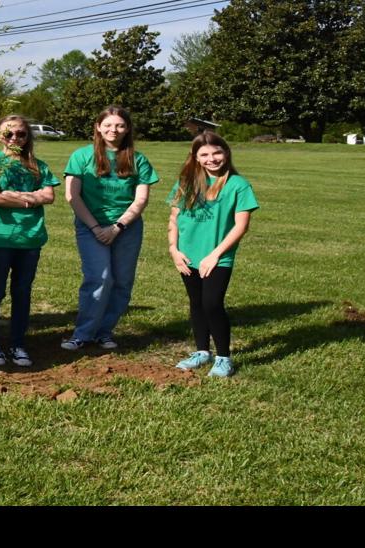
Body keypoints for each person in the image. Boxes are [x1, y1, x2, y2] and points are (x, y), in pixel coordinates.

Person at [61, 105, 157, 351]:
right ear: (98, 127)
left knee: (122, 282)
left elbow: (141, 200)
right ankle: (82, 333)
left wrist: (118, 227)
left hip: (127, 228)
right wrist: (95, 228)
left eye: (119, 125)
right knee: (100, 278)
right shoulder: (81, 156)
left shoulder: (138, 159)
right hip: (90, 225)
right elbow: (73, 196)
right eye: (108, 125)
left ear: (127, 129)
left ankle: (104, 332)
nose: (113, 130)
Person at [167, 132, 258, 378]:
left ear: (226, 153)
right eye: (204, 154)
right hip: (187, 255)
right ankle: (201, 351)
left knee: (212, 303)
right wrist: (174, 249)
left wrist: (215, 255)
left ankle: (223, 358)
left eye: (217, 152)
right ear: (195, 158)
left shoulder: (238, 185)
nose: (212, 159)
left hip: (218, 256)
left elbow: (241, 226)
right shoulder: (185, 183)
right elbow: (174, 219)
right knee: (196, 303)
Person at [0, 114, 59, 368]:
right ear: (0, 137)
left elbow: (50, 195)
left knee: (22, 292)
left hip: (30, 238)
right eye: (8, 134)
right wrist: (30, 198)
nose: (14, 138)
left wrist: (15, 196)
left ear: (28, 136)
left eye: (20, 133)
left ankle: (18, 344)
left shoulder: (38, 165)